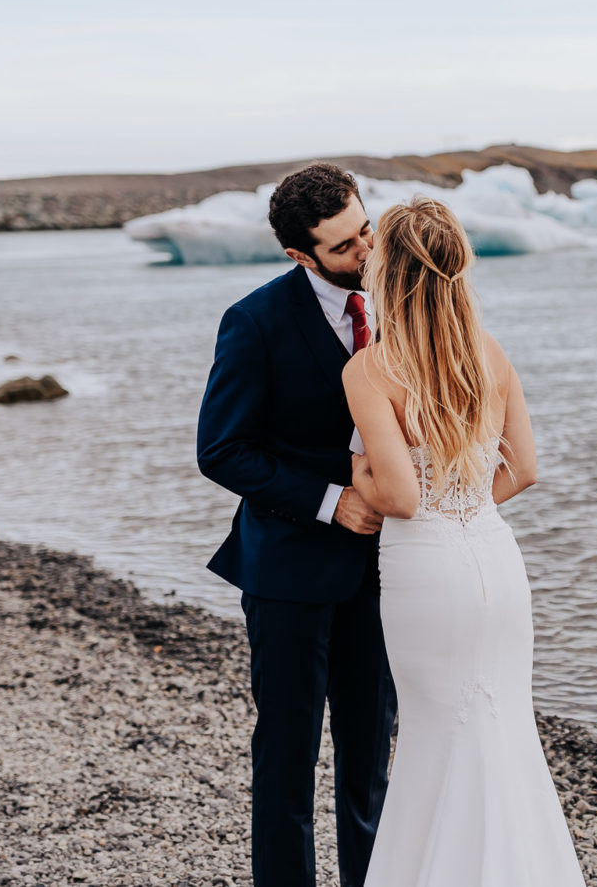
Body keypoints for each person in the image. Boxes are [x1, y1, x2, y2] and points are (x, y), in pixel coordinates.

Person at [341, 197, 586, 886]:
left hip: (426, 571)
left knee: (435, 735)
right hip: (496, 559)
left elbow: (400, 498)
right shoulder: (489, 354)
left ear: (388, 273)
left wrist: (358, 472)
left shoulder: (371, 370)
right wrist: (467, 507)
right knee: (503, 732)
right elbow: (524, 469)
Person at [197, 163, 397, 887]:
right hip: (286, 570)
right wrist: (330, 500)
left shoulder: (398, 304)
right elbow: (221, 450)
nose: (366, 252)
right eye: (344, 247)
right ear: (299, 255)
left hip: (386, 568)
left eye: (366, 230)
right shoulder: (254, 322)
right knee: (287, 758)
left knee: (370, 757)